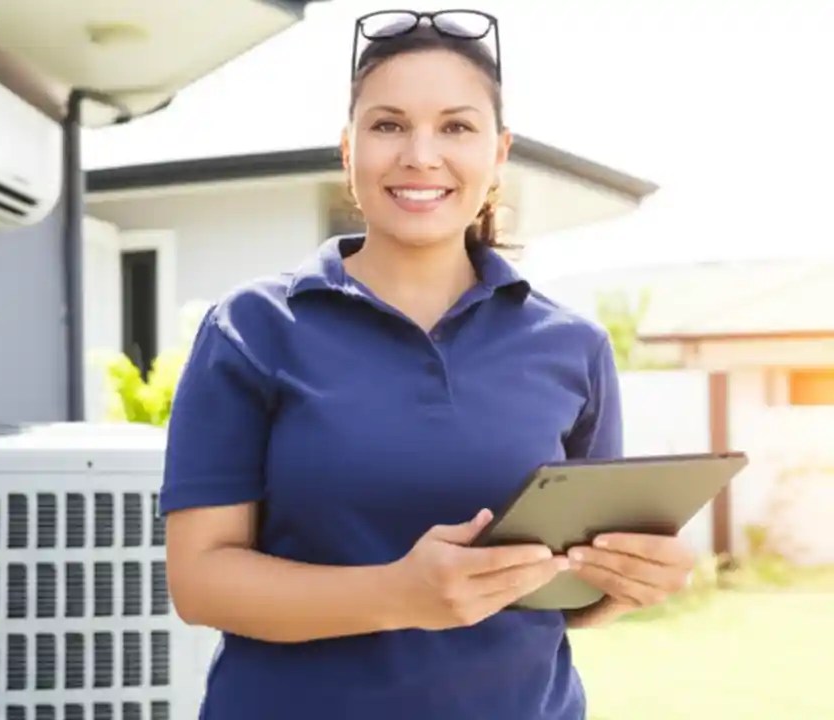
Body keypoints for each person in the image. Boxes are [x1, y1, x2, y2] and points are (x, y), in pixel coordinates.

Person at [159, 10, 697, 720]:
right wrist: (397, 595)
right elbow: (200, 582)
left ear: (499, 153)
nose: (420, 155)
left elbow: (564, 591)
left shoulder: (573, 347)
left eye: (456, 127)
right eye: (388, 125)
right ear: (348, 149)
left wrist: (628, 583)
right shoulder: (251, 328)